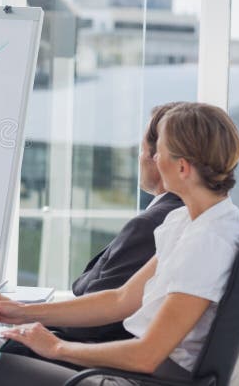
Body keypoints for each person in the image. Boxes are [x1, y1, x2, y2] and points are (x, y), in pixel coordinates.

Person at [0, 102, 239, 385]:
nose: (154, 157)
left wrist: (56, 348)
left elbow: (147, 355)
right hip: (136, 366)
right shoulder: (186, 221)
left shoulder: (208, 242)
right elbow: (120, 299)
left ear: (182, 167)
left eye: (161, 151)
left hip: (144, 377)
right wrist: (21, 312)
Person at [56, 102, 184, 342]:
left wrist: (25, 318)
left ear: (158, 157)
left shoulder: (153, 225)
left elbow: (93, 322)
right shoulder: (183, 217)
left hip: (91, 352)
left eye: (142, 146)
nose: (140, 155)